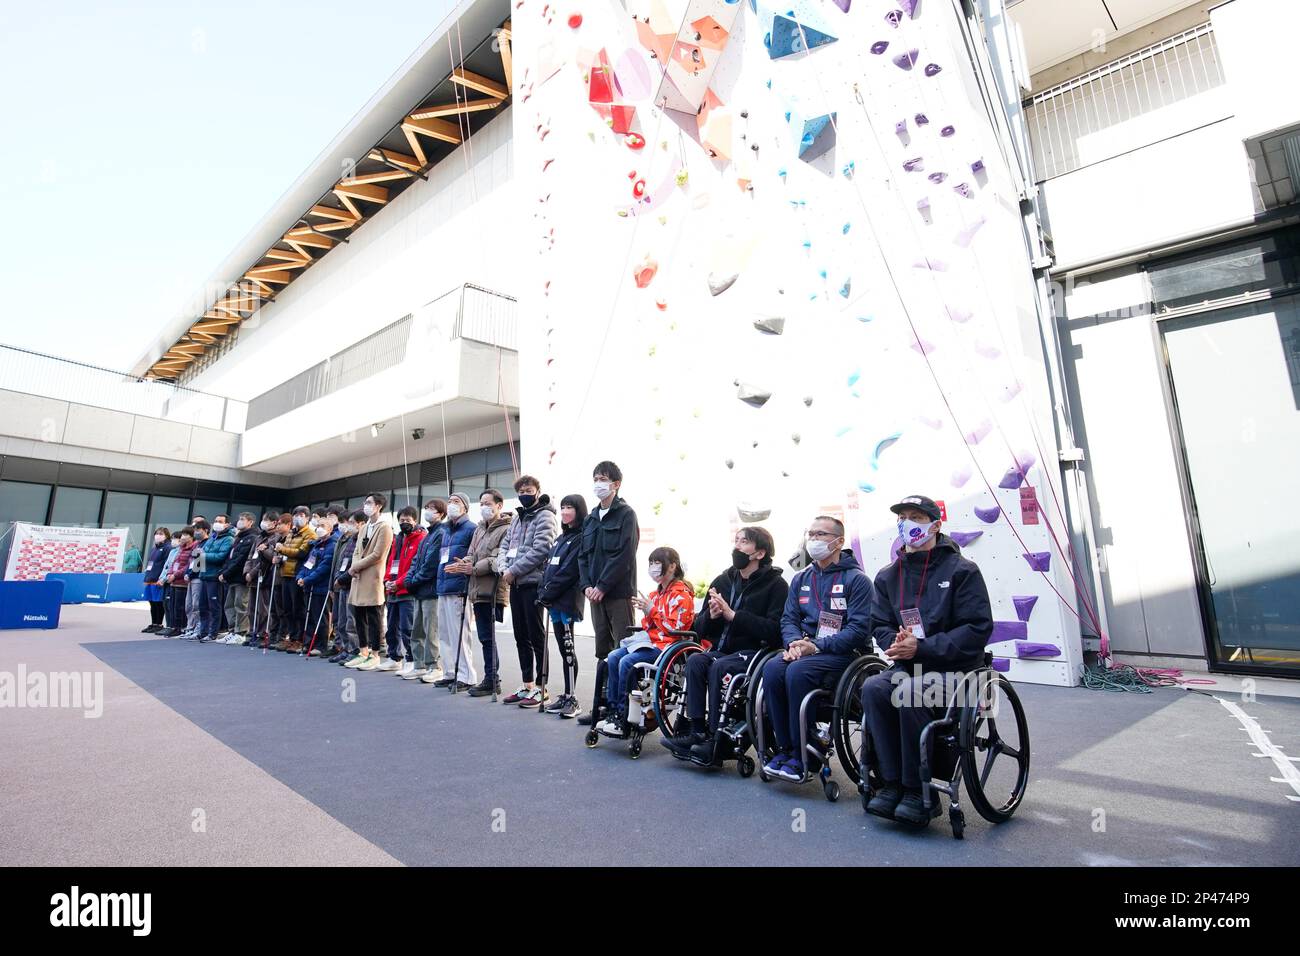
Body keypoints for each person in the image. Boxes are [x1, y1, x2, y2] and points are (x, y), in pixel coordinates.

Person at [860, 495, 993, 827]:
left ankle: (921, 792)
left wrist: (922, 648)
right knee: (874, 688)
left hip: (959, 672)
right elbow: (880, 623)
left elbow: (977, 628)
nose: (907, 523)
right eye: (902, 517)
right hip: (909, 666)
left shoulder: (963, 571)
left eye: (916, 516)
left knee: (913, 690)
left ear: (935, 525)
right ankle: (891, 783)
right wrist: (897, 642)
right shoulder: (888, 576)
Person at [661, 526, 788, 765]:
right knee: (697, 660)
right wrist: (712, 615)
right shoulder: (723, 580)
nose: (737, 546)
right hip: (723, 649)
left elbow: (774, 631)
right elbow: (698, 629)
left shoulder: (776, 585)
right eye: (736, 540)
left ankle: (715, 738)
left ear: (760, 553)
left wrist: (734, 615)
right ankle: (697, 730)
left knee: (719, 666)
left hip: (755, 652)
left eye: (744, 542)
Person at [761, 515, 872, 782]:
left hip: (843, 654)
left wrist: (815, 646)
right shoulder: (801, 578)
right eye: (811, 534)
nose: (814, 540)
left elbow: (857, 631)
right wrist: (793, 644)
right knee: (773, 667)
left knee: (797, 672)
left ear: (839, 542)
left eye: (821, 535)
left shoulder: (857, 580)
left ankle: (806, 752)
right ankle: (786, 749)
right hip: (805, 649)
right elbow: (789, 619)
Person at [596, 547, 695, 736]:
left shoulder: (682, 595)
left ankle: (624, 715)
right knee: (613, 656)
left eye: (657, 563)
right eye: (651, 563)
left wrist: (652, 611)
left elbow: (677, 629)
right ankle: (613, 711)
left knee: (627, 662)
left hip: (667, 647)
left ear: (672, 566)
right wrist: (647, 611)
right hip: (650, 642)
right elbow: (649, 626)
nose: (653, 567)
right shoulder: (654, 595)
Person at [576, 461, 640, 725]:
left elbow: (624, 554)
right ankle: (601, 705)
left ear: (616, 484)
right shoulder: (591, 518)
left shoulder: (626, 514)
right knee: (602, 650)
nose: (598, 484)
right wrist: (588, 586)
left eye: (603, 478)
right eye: (595, 478)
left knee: (624, 650)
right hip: (594, 595)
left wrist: (602, 586)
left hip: (618, 594)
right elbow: (583, 556)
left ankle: (625, 708)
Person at [498, 475, 559, 708]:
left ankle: (542, 688)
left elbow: (542, 548)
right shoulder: (517, 518)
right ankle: (527, 685)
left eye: (528, 489)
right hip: (514, 583)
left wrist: (513, 569)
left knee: (536, 636)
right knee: (520, 636)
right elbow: (506, 546)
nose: (525, 493)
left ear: (537, 490)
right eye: (521, 490)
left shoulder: (545, 516)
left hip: (533, 583)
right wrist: (505, 569)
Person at [453, 489, 512, 697]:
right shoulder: (479, 529)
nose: (485, 507)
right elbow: (471, 553)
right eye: (482, 503)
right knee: (485, 636)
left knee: (488, 636)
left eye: (489, 503)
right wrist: (464, 563)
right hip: (476, 588)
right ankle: (490, 678)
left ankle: (492, 679)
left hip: (493, 588)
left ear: (499, 505)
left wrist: (474, 568)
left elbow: (498, 560)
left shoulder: (506, 529)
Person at [537, 494, 588, 718]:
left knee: (568, 650)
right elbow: (548, 567)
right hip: (553, 602)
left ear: (579, 510)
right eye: (563, 507)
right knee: (561, 648)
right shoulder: (560, 539)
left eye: (570, 507)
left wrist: (548, 592)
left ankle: (573, 697)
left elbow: (569, 572)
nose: (566, 511)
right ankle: (566, 694)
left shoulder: (580, 537)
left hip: (567, 601)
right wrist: (542, 591)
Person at [433, 492, 478, 690]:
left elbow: (473, 557)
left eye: (456, 502)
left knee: (459, 634)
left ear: (465, 507)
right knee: (444, 633)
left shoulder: (471, 529)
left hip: (459, 587)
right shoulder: (445, 530)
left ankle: (466, 676)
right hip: (443, 586)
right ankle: (450, 672)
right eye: (449, 501)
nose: (451, 505)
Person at [346, 494, 395, 671]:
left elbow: (378, 554)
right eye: (365, 503)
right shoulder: (365, 527)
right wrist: (354, 567)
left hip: (373, 577)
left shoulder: (385, 527)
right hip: (358, 576)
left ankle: (375, 654)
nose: (365, 506)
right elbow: (357, 551)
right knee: (358, 614)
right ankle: (363, 651)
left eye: (369, 503)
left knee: (374, 616)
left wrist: (356, 566)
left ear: (379, 506)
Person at [402, 498, 447, 681]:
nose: (428, 511)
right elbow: (416, 561)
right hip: (419, 590)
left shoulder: (441, 532)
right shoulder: (427, 535)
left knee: (431, 631)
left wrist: (414, 581)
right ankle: (419, 665)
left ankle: (434, 666)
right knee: (417, 630)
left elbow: (431, 564)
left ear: (441, 514)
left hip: (430, 590)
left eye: (432, 509)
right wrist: (409, 580)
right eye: (427, 508)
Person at [378, 506, 425, 673]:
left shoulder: (420, 539)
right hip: (392, 590)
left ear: (415, 521)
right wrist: (386, 581)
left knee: (408, 627)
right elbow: (391, 562)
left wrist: (399, 582)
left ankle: (411, 659)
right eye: (401, 520)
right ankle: (394, 657)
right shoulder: (398, 539)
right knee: (392, 627)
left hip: (408, 590)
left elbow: (414, 567)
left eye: (408, 520)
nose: (404, 523)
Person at [273, 506, 317, 651]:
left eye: (302, 515)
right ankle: (291, 637)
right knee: (287, 609)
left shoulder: (310, 534)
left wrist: (282, 549)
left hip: (298, 574)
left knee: (298, 608)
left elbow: (302, 553)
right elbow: (286, 552)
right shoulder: (292, 533)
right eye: (296, 515)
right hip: (285, 572)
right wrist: (279, 558)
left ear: (307, 518)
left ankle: (299, 639)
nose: (299, 517)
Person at [297, 509, 340, 657]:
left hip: (321, 587)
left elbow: (324, 568)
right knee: (308, 616)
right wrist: (300, 576)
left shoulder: (332, 545)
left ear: (329, 529)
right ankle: (308, 643)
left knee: (320, 618)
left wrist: (307, 579)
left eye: (323, 525)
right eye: (319, 525)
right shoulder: (316, 545)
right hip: (309, 586)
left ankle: (320, 645)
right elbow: (307, 563)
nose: (319, 528)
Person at [327, 511, 362, 664]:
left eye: (351, 522)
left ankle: (353, 650)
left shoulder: (361, 539)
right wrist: (334, 583)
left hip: (350, 583)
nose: (348, 525)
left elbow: (354, 564)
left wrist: (342, 579)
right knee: (341, 620)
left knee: (351, 620)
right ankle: (344, 648)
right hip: (340, 584)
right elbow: (339, 563)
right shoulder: (347, 539)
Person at [217, 513, 257, 643]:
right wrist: (224, 572)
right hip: (232, 577)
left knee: (241, 605)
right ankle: (232, 630)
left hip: (240, 577)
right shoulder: (238, 538)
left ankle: (241, 632)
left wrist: (226, 573)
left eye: (242, 520)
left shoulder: (251, 538)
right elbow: (231, 558)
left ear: (250, 522)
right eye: (239, 519)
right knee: (229, 605)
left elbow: (240, 560)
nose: (239, 522)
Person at [195, 515, 235, 642]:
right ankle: (203, 631)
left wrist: (204, 555)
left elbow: (221, 556)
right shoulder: (212, 537)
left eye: (220, 521)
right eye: (216, 521)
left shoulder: (228, 539)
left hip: (214, 576)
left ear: (227, 524)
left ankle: (213, 633)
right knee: (202, 606)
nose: (217, 523)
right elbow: (201, 553)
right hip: (204, 575)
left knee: (214, 607)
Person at [246, 511, 282, 647]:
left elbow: (268, 559)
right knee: (251, 608)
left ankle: (262, 634)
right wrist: (247, 571)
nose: (264, 523)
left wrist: (253, 573)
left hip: (264, 575)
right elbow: (250, 556)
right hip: (253, 577)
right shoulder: (259, 537)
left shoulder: (276, 538)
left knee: (263, 608)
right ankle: (252, 632)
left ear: (274, 522)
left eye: (267, 520)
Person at [161, 527, 196, 637]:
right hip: (173, 581)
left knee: (181, 606)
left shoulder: (194, 548)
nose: (183, 537)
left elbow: (189, 565)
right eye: (183, 535)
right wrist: (169, 574)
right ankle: (174, 626)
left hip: (183, 581)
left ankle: (181, 627)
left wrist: (175, 575)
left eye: (186, 535)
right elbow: (174, 563)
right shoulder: (180, 549)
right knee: (173, 605)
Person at [140, 527, 172, 633]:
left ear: (166, 535)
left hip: (158, 579)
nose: (158, 535)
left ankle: (159, 623)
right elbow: (150, 563)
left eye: (161, 533)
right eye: (157, 533)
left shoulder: (168, 547)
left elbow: (167, 565)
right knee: (152, 603)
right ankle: (153, 623)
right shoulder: (154, 548)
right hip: (150, 578)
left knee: (158, 603)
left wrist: (162, 578)